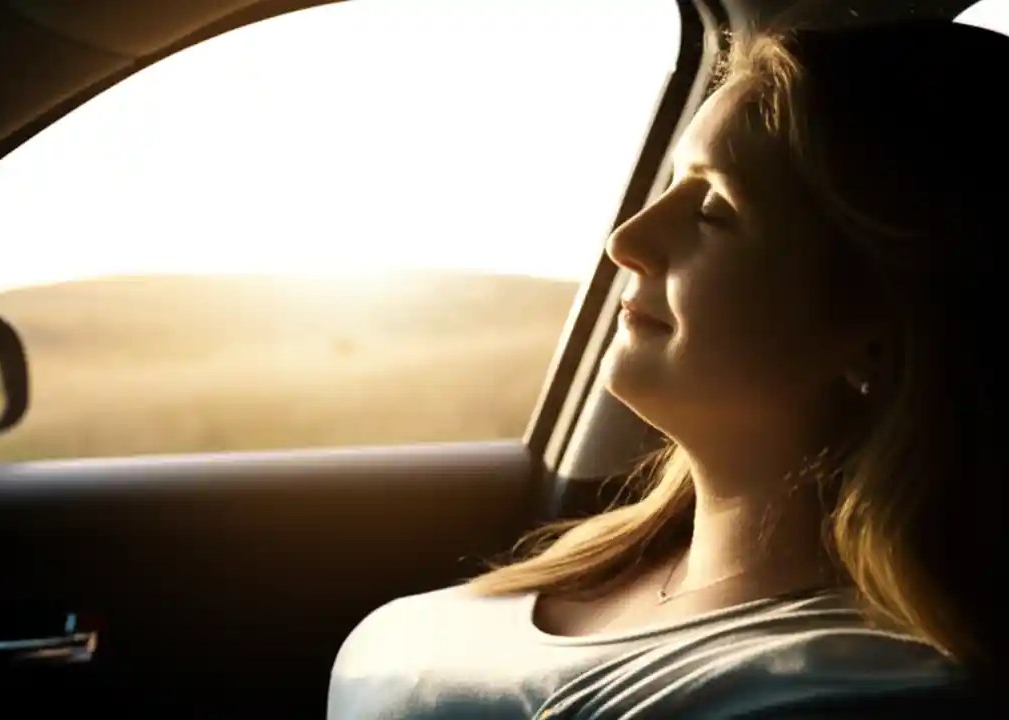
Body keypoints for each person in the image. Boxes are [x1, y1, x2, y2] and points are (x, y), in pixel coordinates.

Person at [328, 17, 1004, 719]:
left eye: (712, 210)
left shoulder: (833, 692)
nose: (628, 239)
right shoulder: (613, 557)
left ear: (875, 332)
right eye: (674, 183)